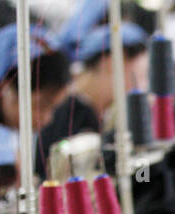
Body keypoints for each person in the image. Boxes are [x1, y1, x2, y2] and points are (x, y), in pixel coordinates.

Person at [37, 22, 150, 176]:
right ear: (111, 63)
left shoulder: (99, 110)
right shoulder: (66, 114)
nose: (143, 87)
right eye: (141, 76)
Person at [0, 23, 72, 133]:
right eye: (40, 106)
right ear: (6, 88)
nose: (47, 119)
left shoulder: (12, 127)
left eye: (54, 108)